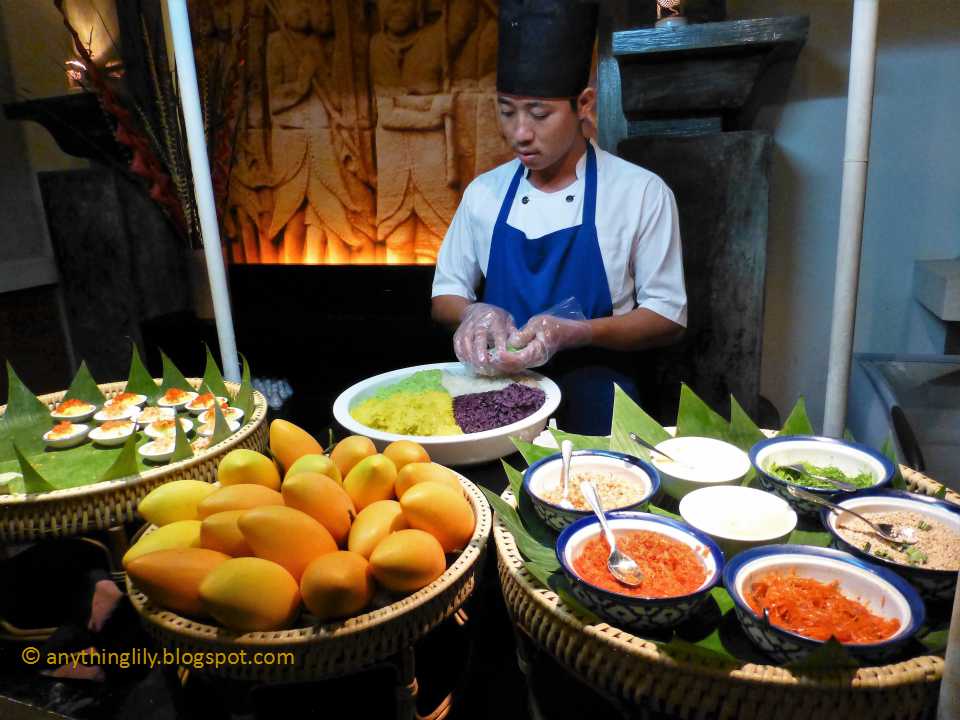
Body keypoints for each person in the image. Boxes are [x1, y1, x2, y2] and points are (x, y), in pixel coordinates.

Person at [430, 0, 687, 434]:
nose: (520, 133)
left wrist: (577, 332)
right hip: (499, 411)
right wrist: (476, 312)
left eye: (539, 113)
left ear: (583, 104)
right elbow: (445, 296)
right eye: (506, 111)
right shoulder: (484, 193)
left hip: (602, 407)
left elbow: (667, 317)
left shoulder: (640, 191)